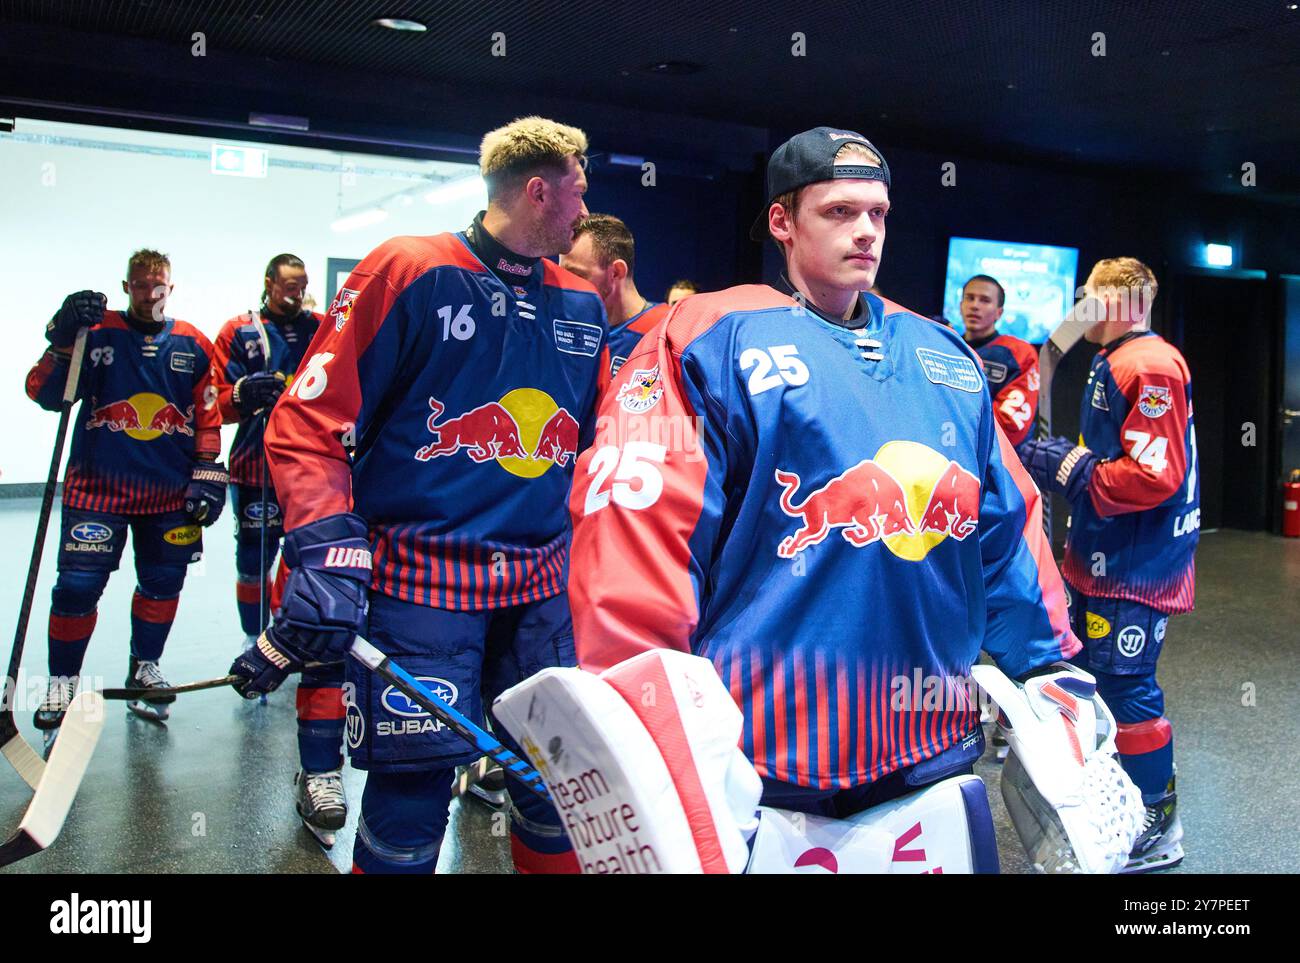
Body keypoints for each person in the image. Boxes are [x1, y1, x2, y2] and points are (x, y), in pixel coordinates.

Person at [568, 128, 1080, 828]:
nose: (866, 232)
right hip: (764, 762)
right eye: (840, 212)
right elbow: (639, 527)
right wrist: (648, 715)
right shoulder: (710, 335)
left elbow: (1003, 524)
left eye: (878, 213)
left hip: (932, 749)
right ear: (782, 221)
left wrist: (1048, 667)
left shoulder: (944, 356)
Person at [228, 116, 606, 874]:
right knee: (410, 800)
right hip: (423, 585)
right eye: (579, 190)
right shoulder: (408, 270)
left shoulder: (582, 304)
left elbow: (592, 448)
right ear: (539, 189)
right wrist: (328, 549)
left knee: (558, 791)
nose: (586, 209)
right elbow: (307, 418)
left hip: (539, 595)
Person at [1018, 257, 1196, 872]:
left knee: (1125, 684)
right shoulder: (1113, 357)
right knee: (1099, 679)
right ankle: (1121, 812)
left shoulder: (1146, 365)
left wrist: (1069, 468)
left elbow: (1156, 475)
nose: (1081, 310)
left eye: (1090, 299)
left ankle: (1156, 822)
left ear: (1121, 303)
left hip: (1137, 563)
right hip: (1106, 554)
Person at [25, 249, 225, 742]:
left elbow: (208, 416)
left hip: (169, 494)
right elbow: (43, 393)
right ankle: (63, 684)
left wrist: (207, 474)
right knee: (75, 588)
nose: (150, 292)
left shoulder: (193, 343)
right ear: (126, 286)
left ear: (170, 289)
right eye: (140, 284)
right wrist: (59, 335)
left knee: (163, 584)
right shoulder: (94, 334)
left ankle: (145, 669)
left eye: (159, 285)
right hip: (97, 491)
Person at [210, 255, 347, 843]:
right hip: (254, 465)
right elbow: (209, 403)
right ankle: (255, 637)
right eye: (288, 286)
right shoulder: (238, 331)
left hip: (324, 474)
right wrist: (242, 394)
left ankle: (291, 647)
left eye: (302, 285)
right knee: (254, 559)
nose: (298, 294)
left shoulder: (324, 326)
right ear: (269, 284)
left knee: (314, 579)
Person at [563, 213, 670, 394]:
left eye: (576, 275)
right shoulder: (570, 330)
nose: (567, 285)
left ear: (616, 272)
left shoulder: (666, 332)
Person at [960, 274, 1039, 446]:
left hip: (991, 460)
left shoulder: (1020, 353)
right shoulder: (944, 346)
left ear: (999, 312)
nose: (974, 306)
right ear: (961, 305)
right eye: (970, 298)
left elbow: (1010, 427)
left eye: (985, 300)